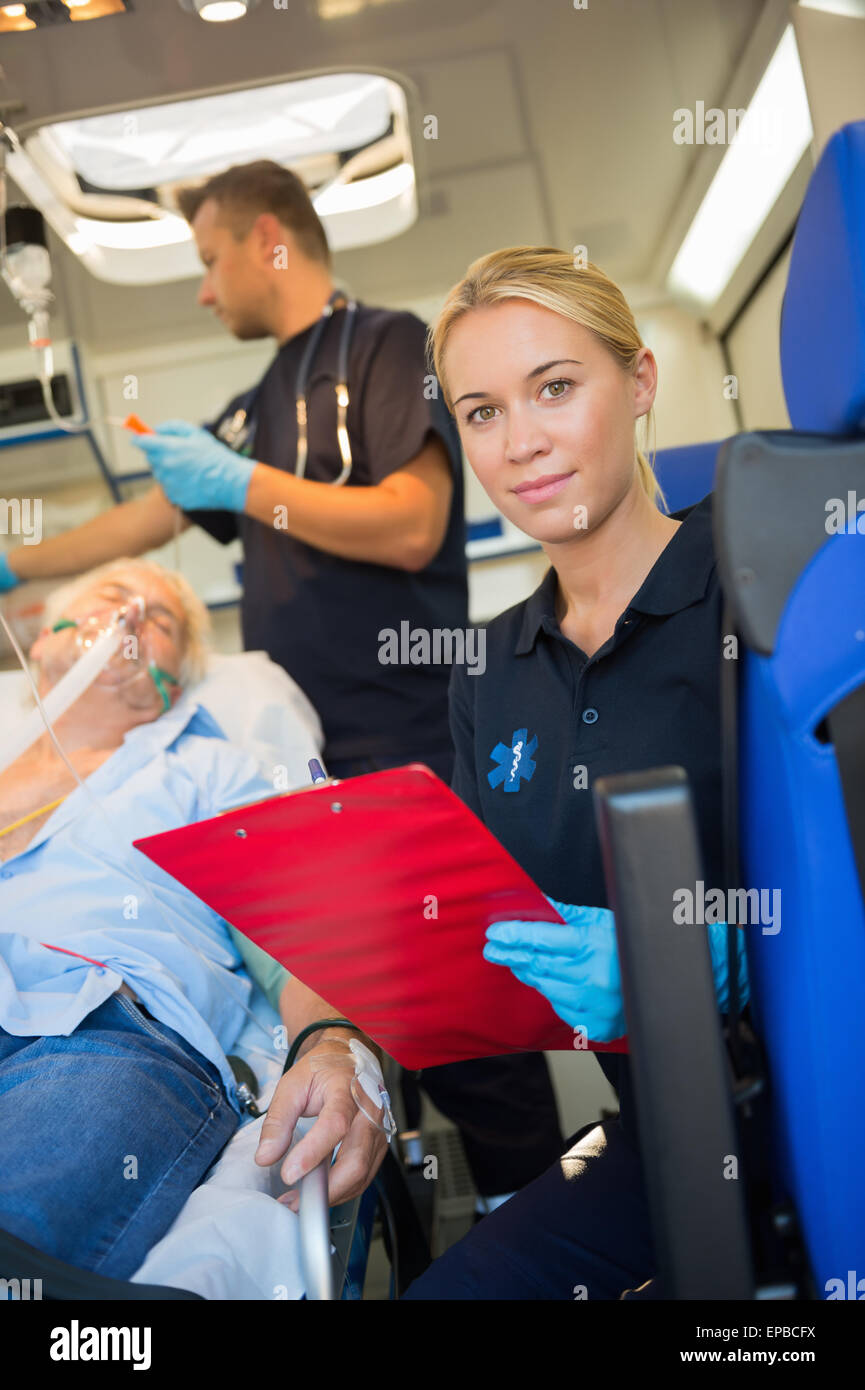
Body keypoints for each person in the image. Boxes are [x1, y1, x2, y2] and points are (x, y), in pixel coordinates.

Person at [0, 162, 564, 1210]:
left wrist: (243, 485)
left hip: (405, 729)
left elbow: (411, 524)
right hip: (302, 763)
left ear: (268, 240)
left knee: (466, 1022)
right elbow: (150, 521)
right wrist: (18, 564)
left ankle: (539, 1227)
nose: (206, 290)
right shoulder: (252, 406)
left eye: (210, 260)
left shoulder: (388, 346)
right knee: (381, 1007)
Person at [403, 246, 749, 1299]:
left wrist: (707, 955)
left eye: (554, 388)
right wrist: (332, 1017)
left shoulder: (758, 594)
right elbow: (457, 910)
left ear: (639, 383)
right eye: (481, 412)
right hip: (652, 1138)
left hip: (827, 1099)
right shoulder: (488, 675)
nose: (521, 444)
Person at [0, 558, 387, 1279]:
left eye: (162, 620)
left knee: (21, 1228)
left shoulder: (207, 766)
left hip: (95, 1027)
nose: (133, 617)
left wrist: (334, 1041)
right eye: (114, 597)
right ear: (41, 640)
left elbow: (288, 920)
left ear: (171, 682)